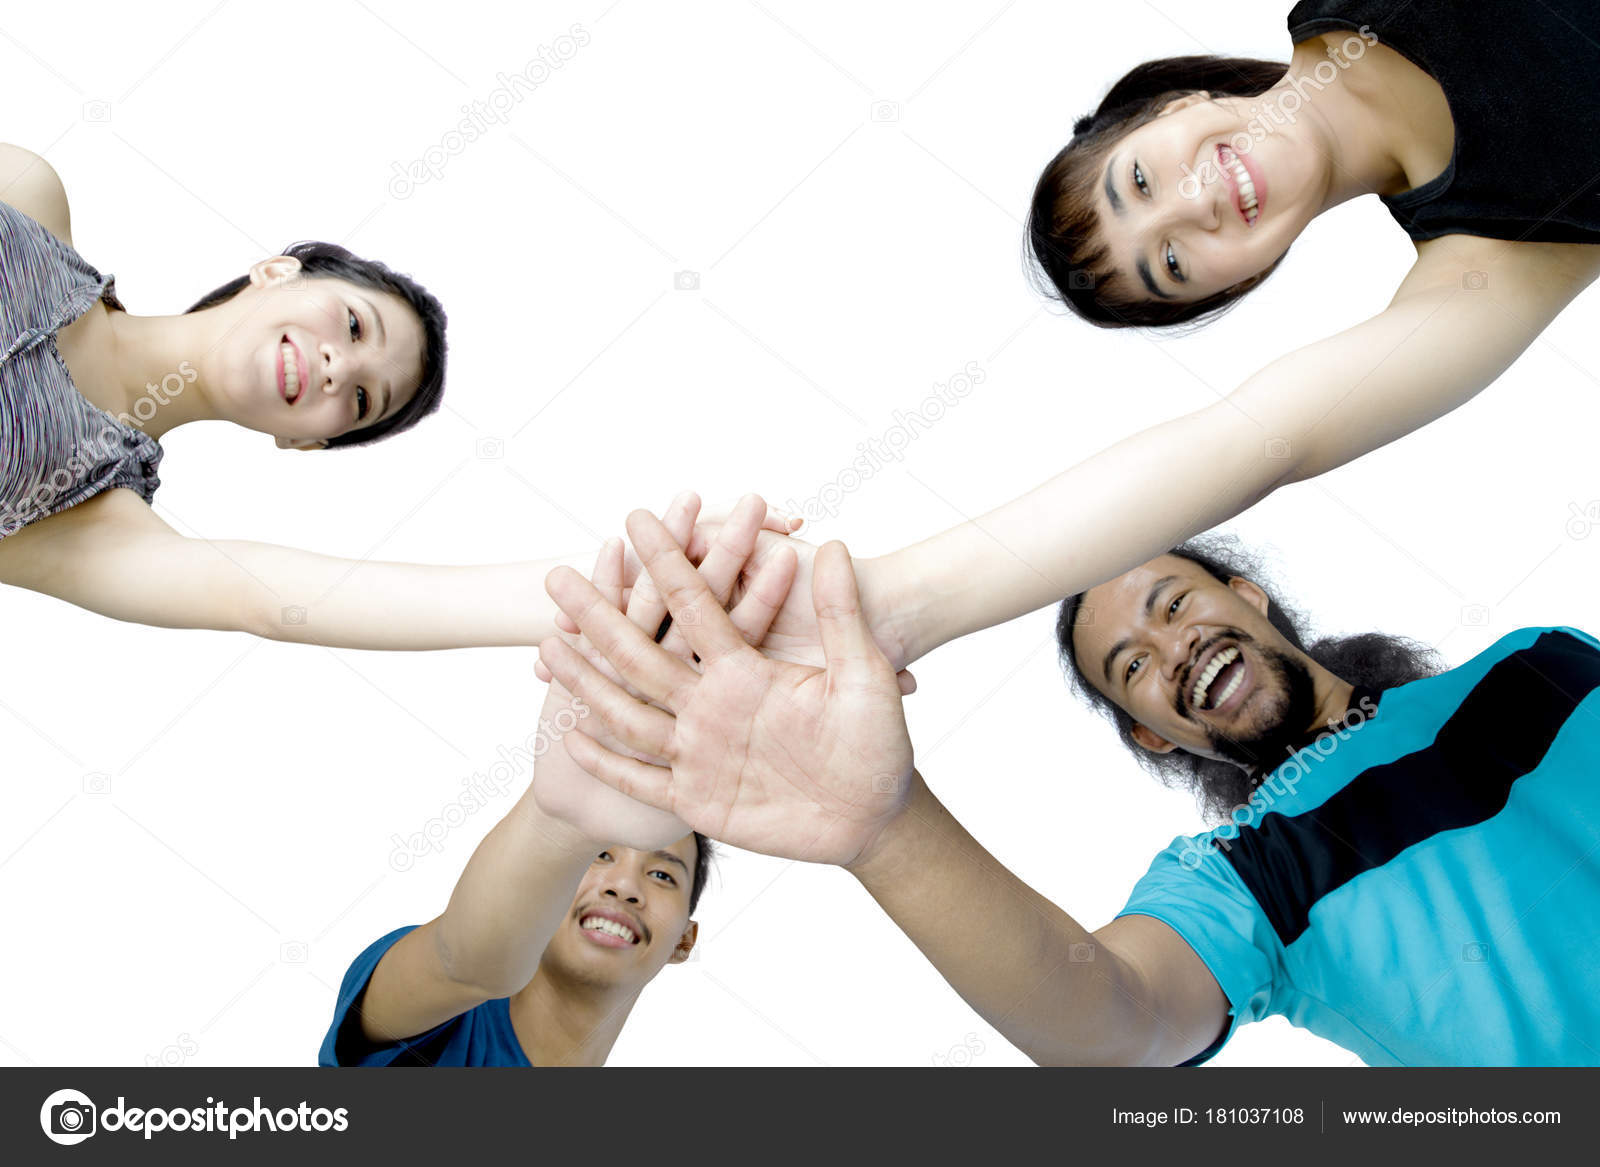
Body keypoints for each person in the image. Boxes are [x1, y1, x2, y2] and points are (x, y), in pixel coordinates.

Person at [726, 0, 1600, 685]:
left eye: (1140, 179)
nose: (1192, 205)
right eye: (1175, 262)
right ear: (1245, 278)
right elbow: (1250, 437)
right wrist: (876, 605)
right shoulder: (1498, 254)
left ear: (1176, 105)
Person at [537, 512, 1600, 1065]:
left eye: (1172, 604)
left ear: (1247, 594)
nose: (1169, 648)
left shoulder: (1534, 663)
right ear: (1151, 732)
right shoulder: (1241, 880)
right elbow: (1112, 1022)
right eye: (1131, 666)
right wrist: (885, 830)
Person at [0, 144, 793, 650]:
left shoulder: (90, 513)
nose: (340, 368)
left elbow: (291, 600)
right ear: (278, 270)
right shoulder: (29, 193)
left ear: (304, 441)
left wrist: (660, 575)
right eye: (352, 322)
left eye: (360, 400)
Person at [320, 496, 799, 1065]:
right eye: (598, 855)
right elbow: (467, 964)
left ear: (684, 942)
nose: (625, 886)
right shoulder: (436, 1027)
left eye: (664, 875)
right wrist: (563, 820)